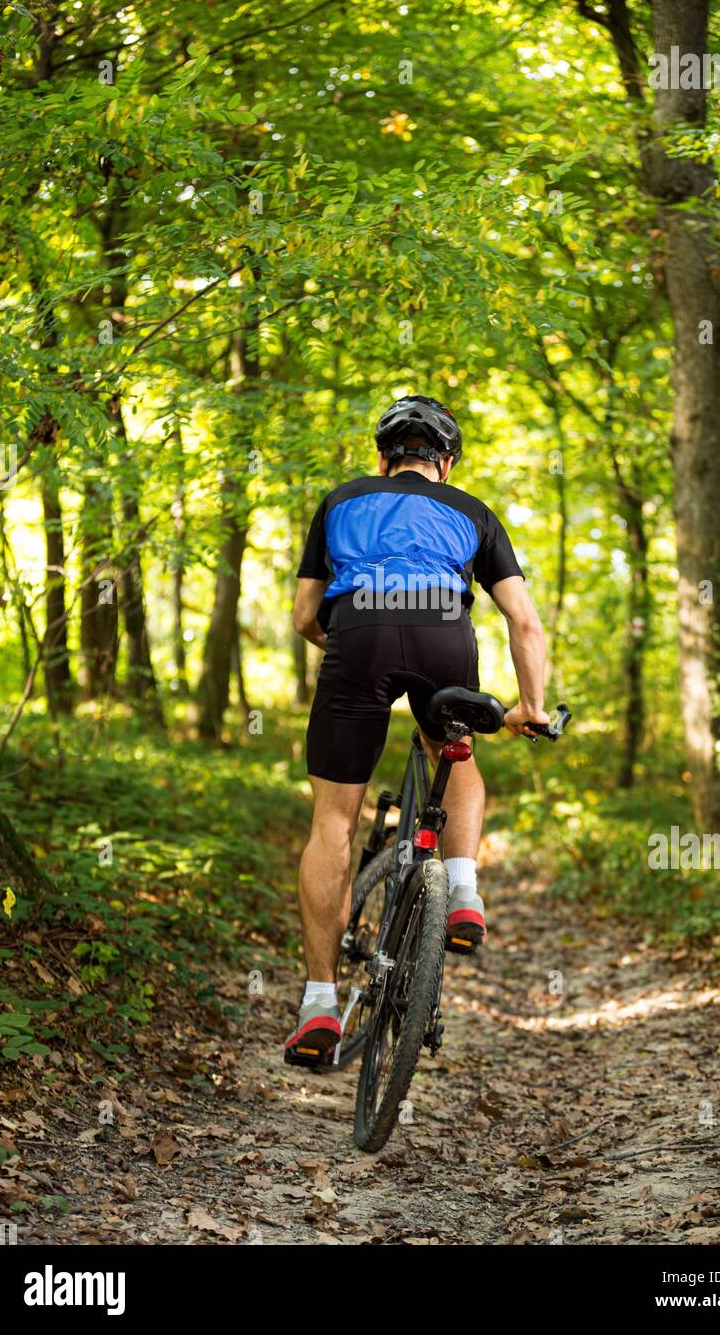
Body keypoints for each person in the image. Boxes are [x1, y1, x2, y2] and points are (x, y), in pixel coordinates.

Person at [285, 396, 550, 1063]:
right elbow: (525, 622)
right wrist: (532, 706)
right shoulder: (472, 512)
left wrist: (349, 644)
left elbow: (303, 615)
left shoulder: (340, 500)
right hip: (442, 631)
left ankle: (319, 1004)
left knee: (332, 824)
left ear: (382, 458)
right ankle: (463, 892)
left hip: (360, 630)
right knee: (454, 758)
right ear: (447, 462)